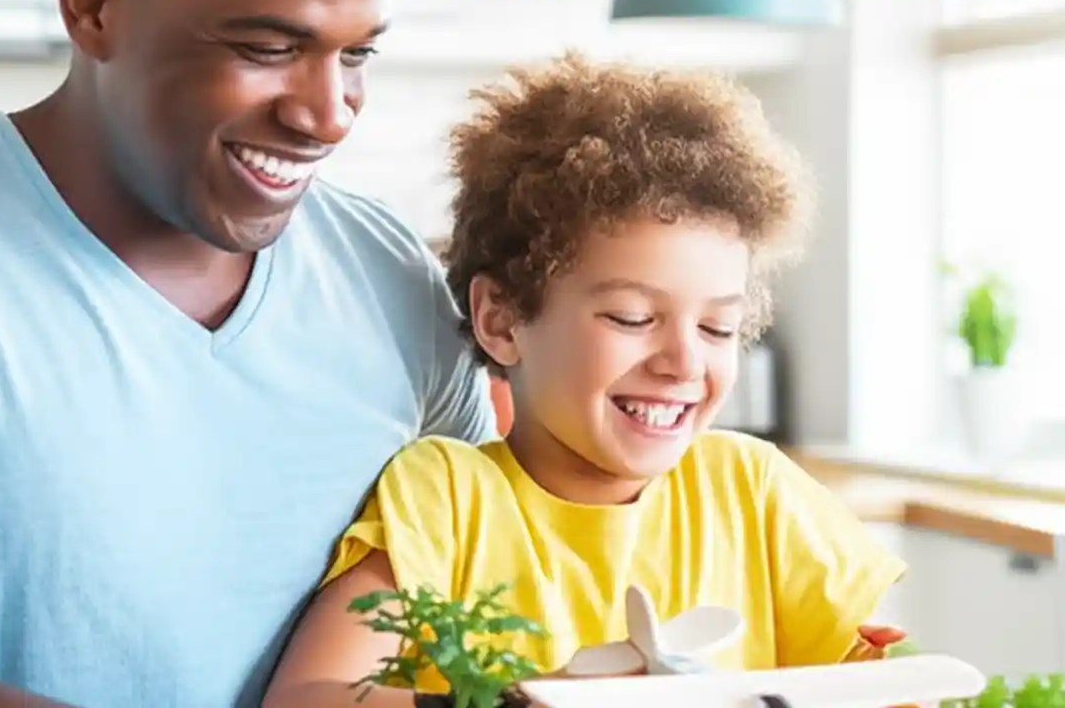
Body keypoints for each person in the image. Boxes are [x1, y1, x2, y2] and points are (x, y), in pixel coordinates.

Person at [0, 0, 496, 707]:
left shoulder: (388, 270)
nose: (330, 115)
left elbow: (506, 577)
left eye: (355, 54)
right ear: (93, 7)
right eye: (267, 49)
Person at [261, 53, 910, 708]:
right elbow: (308, 698)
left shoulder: (757, 492)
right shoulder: (448, 500)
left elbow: (884, 676)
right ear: (504, 319)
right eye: (633, 317)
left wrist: (896, 680)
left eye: (718, 329)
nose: (684, 363)